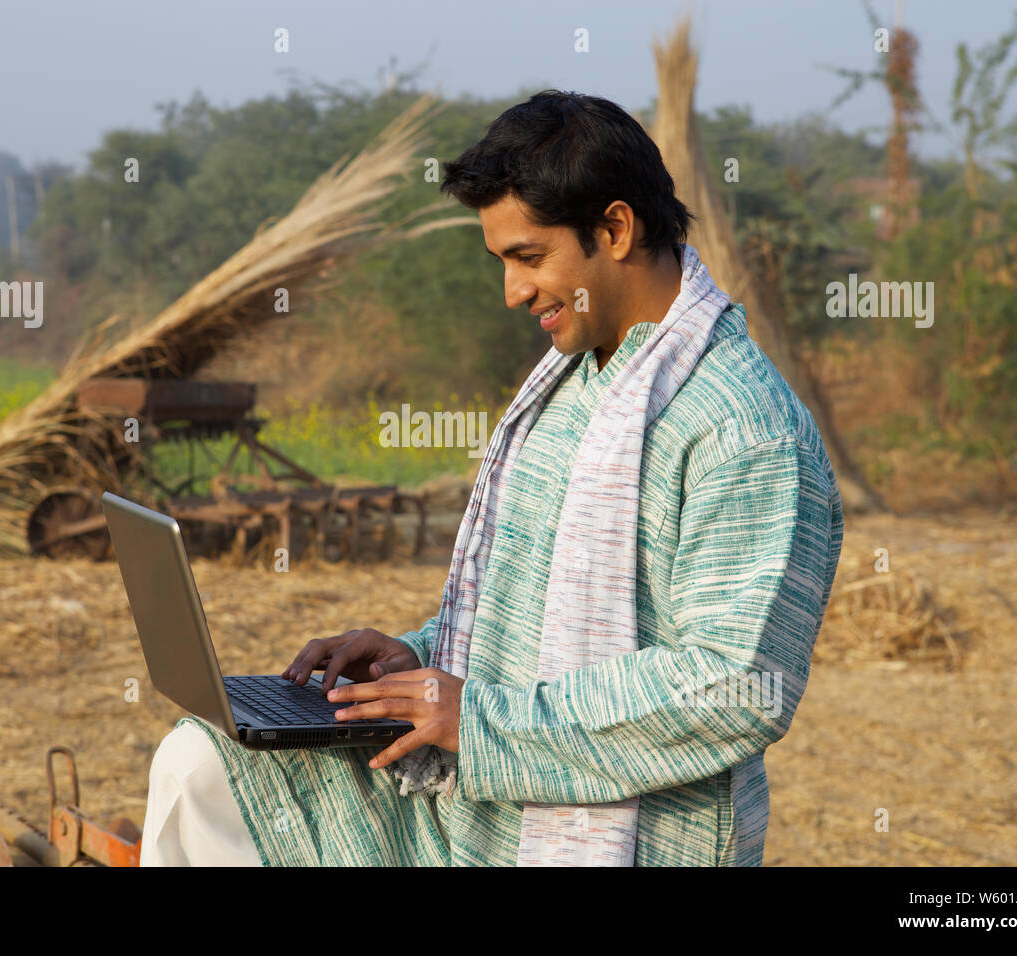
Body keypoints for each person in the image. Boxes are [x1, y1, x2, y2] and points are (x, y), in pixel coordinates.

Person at [141, 89, 844, 867]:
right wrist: (418, 658)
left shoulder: (744, 428)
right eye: (502, 261)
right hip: (478, 799)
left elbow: (734, 688)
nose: (512, 292)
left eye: (529, 258)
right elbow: (526, 612)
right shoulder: (573, 383)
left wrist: (477, 719)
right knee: (200, 764)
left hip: (636, 833)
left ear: (615, 229)